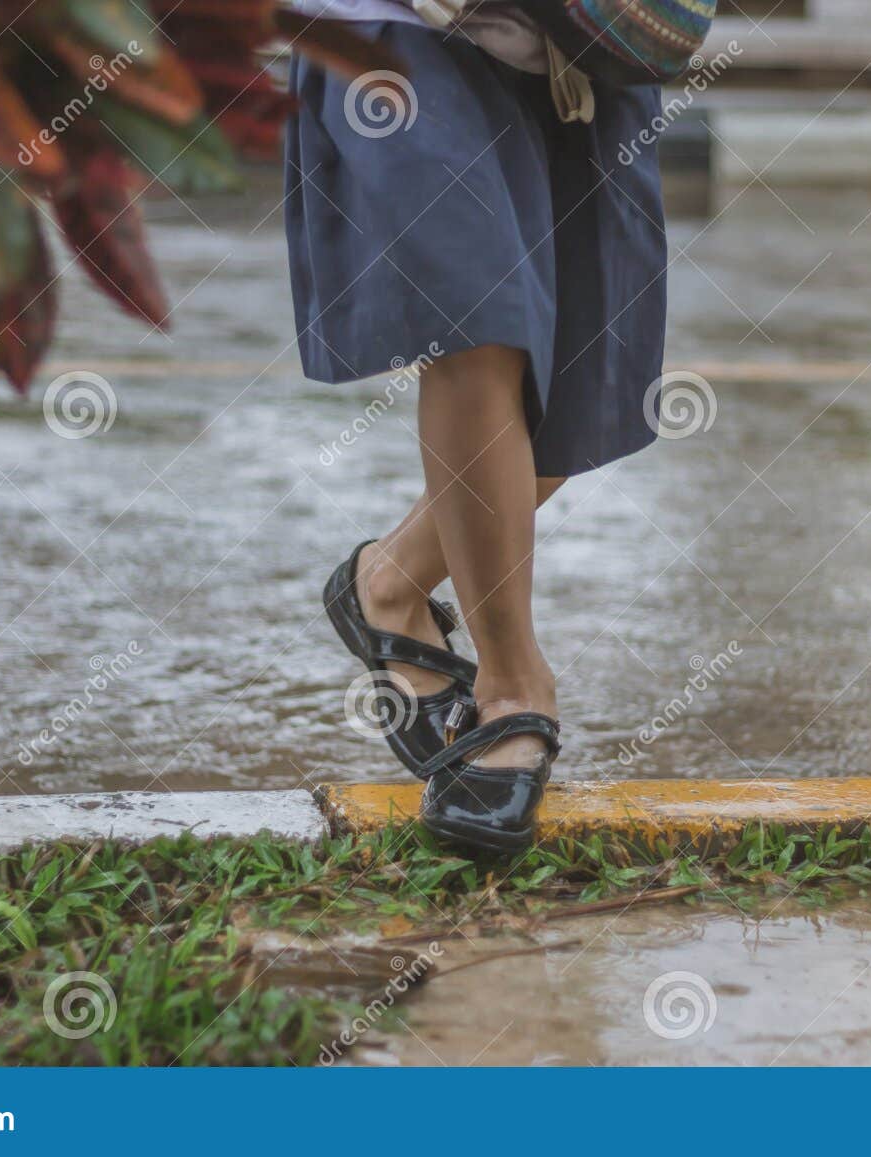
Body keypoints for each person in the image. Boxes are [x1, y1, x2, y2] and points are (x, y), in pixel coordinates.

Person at [288, 0, 668, 852]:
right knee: (476, 323)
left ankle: (386, 584)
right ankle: (513, 687)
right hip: (408, 29)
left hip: (593, 42)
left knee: (584, 382)